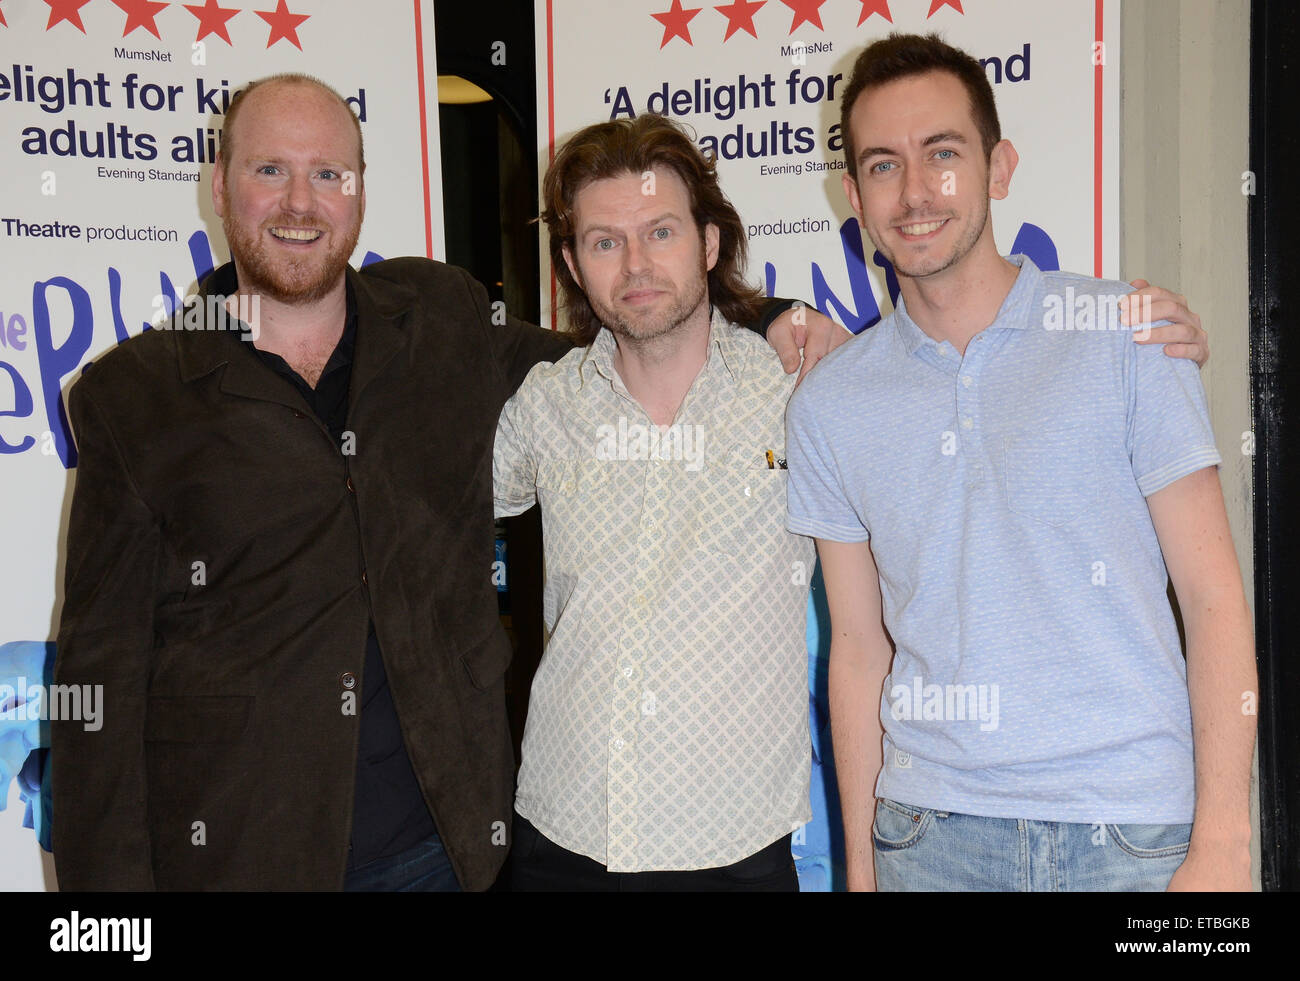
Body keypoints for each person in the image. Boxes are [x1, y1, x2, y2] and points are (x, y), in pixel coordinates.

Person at [49, 73, 843, 891]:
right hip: (242, 856)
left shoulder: (438, 318)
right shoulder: (133, 398)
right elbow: (96, 688)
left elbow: (632, 336)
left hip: (448, 854)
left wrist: (768, 314)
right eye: (268, 171)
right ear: (219, 186)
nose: (300, 202)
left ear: (358, 192)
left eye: (328, 174)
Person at [494, 113, 1210, 891]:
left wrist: (1124, 332)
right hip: (557, 832)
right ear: (572, 260)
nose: (635, 263)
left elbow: (956, 402)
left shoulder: (807, 390)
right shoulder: (542, 406)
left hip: (732, 847)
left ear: (707, 244)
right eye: (605, 241)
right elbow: (428, 506)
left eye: (661, 231)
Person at [785, 33, 1255, 892]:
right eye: (883, 166)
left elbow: (1215, 597)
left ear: (998, 167)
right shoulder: (828, 404)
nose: (917, 191)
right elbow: (856, 651)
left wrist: (1223, 841)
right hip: (929, 840)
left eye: (944, 154)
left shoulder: (1128, 334)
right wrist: (860, 869)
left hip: (1137, 834)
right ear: (852, 195)